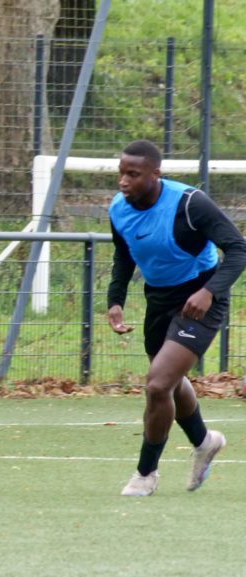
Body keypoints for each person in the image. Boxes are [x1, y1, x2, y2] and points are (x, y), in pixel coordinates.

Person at [108, 139, 246, 497]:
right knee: (167, 379)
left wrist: (208, 292)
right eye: (121, 173)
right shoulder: (118, 210)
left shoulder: (189, 204)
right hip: (159, 298)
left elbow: (238, 248)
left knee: (157, 385)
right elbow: (124, 255)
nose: (124, 181)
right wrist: (115, 299)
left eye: (133, 174)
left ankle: (145, 474)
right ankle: (204, 442)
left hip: (200, 297)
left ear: (156, 174)